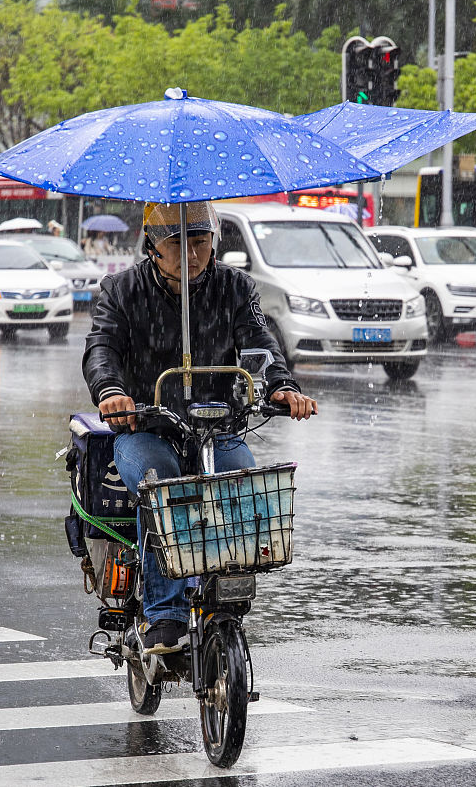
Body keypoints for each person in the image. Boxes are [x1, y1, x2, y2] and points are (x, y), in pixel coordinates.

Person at [82, 201, 318, 655]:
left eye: (200, 241)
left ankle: (223, 593)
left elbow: (260, 345)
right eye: (177, 243)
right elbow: (101, 348)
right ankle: (164, 614)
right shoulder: (121, 290)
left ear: (214, 241)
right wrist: (111, 390)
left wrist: (282, 386)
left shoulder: (236, 287)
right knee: (161, 486)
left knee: (239, 484)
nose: (191, 254)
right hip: (146, 430)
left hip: (218, 428)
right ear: (153, 246)